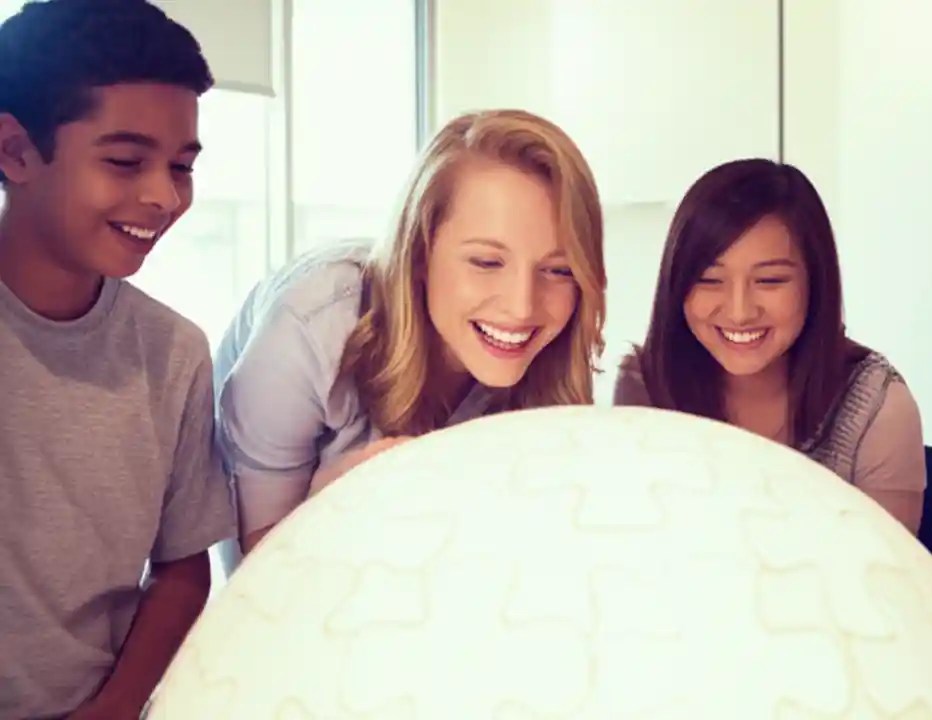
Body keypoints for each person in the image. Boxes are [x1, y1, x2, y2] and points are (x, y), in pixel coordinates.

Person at [214, 109, 607, 559]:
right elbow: (257, 574)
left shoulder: (554, 356)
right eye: (486, 262)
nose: (522, 307)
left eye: (558, 270)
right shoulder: (310, 327)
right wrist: (326, 504)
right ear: (419, 252)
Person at [0, 1, 237, 717]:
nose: (164, 196)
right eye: (125, 161)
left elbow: (182, 569)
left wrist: (109, 712)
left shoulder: (174, 354)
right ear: (14, 152)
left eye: (182, 166)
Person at [613, 159, 925, 532]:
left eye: (770, 280)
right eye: (710, 280)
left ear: (815, 282)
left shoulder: (876, 405)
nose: (740, 312)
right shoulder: (644, 387)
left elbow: (888, 578)